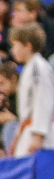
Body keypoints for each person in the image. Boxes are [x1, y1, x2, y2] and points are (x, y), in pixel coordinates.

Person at [10, 22, 54, 156]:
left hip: (37, 134)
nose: (12, 50)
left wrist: (38, 135)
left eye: (15, 45)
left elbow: (43, 100)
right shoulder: (30, 67)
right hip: (28, 129)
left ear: (27, 46)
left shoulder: (38, 67)